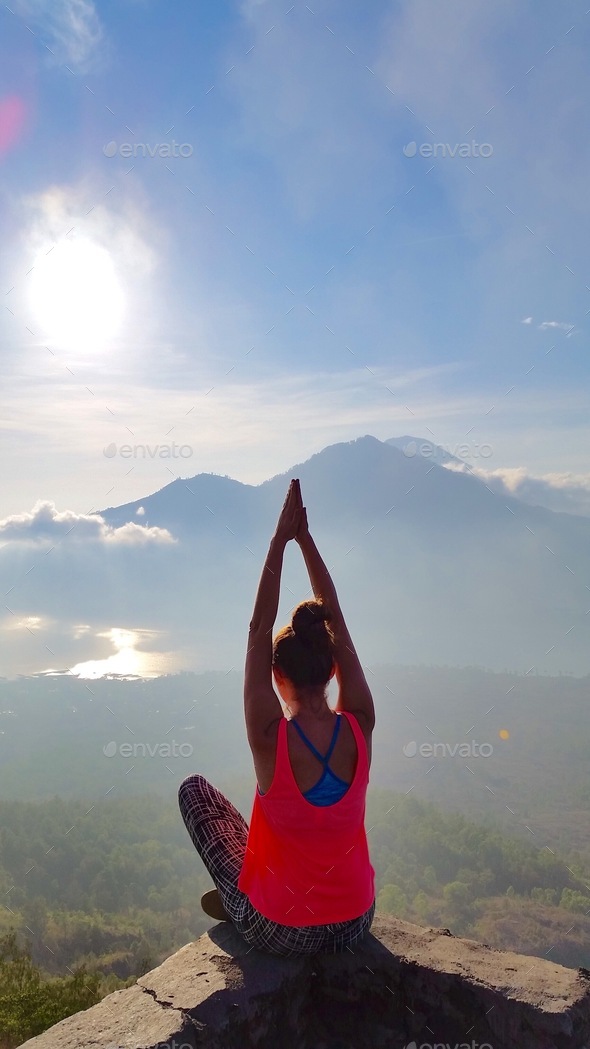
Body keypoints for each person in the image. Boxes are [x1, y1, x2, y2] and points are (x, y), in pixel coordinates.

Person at [178, 478, 376, 955]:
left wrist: (279, 540)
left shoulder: (270, 737)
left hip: (283, 931)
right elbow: (338, 620)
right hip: (355, 920)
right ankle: (254, 884)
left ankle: (243, 899)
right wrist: (305, 539)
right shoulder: (360, 724)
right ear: (332, 668)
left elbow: (258, 628)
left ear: (277, 678)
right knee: (268, 827)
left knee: (196, 793)